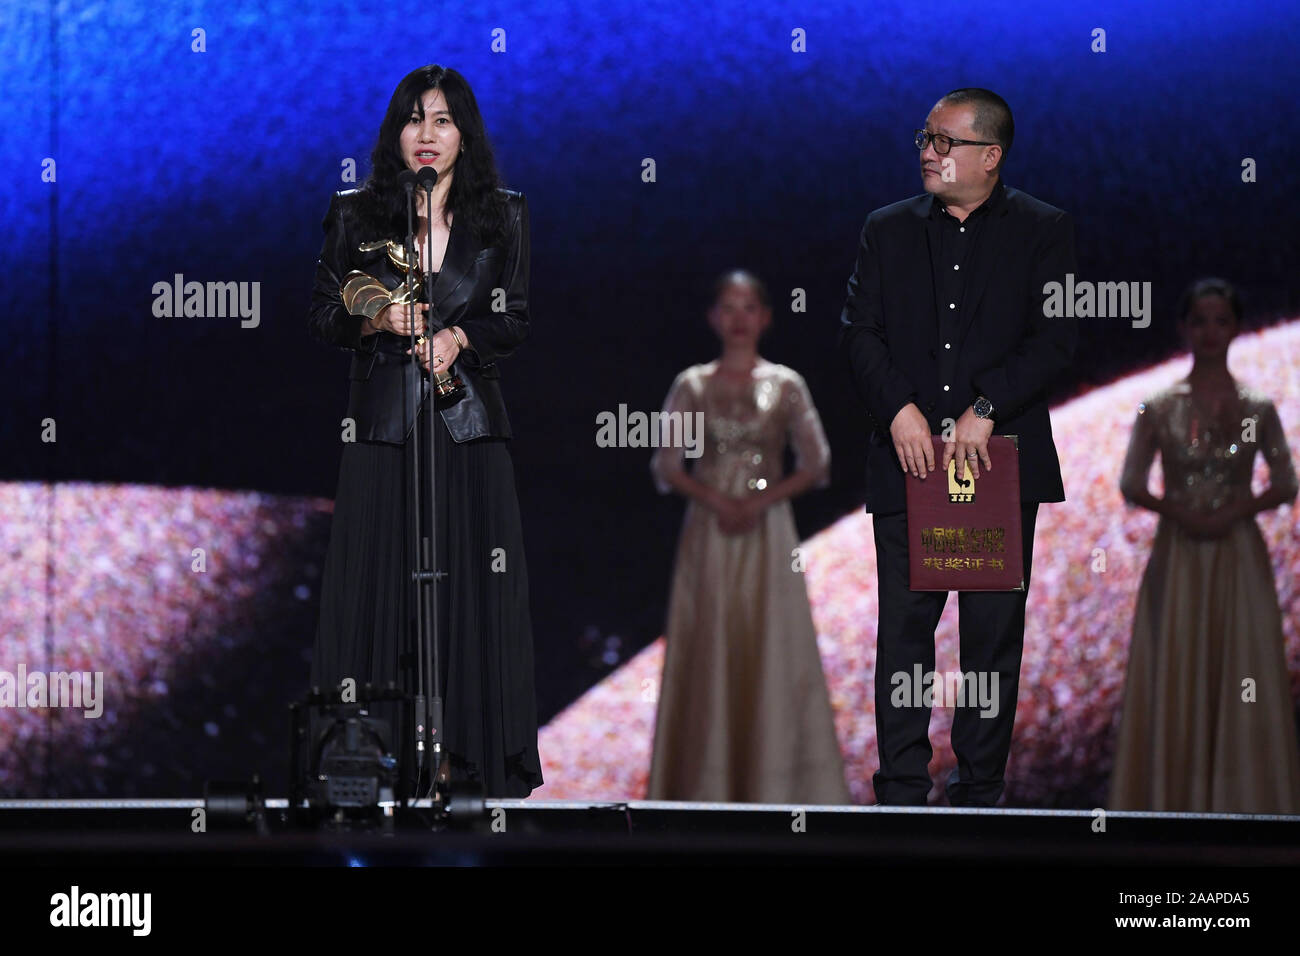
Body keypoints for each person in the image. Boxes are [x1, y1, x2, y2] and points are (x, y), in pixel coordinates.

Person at [837, 89, 1078, 806]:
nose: (929, 153)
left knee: (990, 641)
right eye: (925, 139)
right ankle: (903, 793)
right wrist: (901, 412)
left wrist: (986, 407)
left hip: (994, 466)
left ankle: (980, 798)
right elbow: (859, 333)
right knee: (905, 636)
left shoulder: (1044, 229)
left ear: (991, 156)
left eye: (945, 142)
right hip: (909, 461)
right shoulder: (887, 229)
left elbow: (1056, 340)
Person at [307, 65, 542, 798]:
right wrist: (376, 318)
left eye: (442, 120)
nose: (428, 135)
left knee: (471, 590)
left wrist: (461, 339)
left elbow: (514, 318)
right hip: (383, 431)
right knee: (379, 589)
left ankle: (464, 760)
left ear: (463, 135)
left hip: (467, 429)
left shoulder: (502, 216)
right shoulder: (356, 214)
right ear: (396, 134)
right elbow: (323, 313)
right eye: (415, 120)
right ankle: (368, 763)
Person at [647, 270, 851, 804]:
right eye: (728, 307)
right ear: (714, 317)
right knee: (711, 643)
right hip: (710, 534)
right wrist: (718, 500)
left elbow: (818, 462)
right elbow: (668, 464)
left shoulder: (786, 384)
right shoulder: (692, 384)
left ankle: (776, 787)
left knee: (771, 644)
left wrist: (757, 501)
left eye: (749, 307)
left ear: (765, 317)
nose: (739, 319)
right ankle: (704, 791)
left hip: (768, 534)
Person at [1110, 279, 1300, 813]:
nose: (1210, 331)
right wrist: (1183, 513)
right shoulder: (1158, 406)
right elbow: (1131, 483)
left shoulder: (1257, 408)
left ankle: (1243, 805)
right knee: (1180, 664)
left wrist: (1236, 511)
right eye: (1200, 321)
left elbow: (1286, 481)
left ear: (1236, 327)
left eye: (1220, 320)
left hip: (1238, 555)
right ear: (1184, 328)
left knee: (1242, 668)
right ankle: (1175, 806)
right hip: (1181, 556)